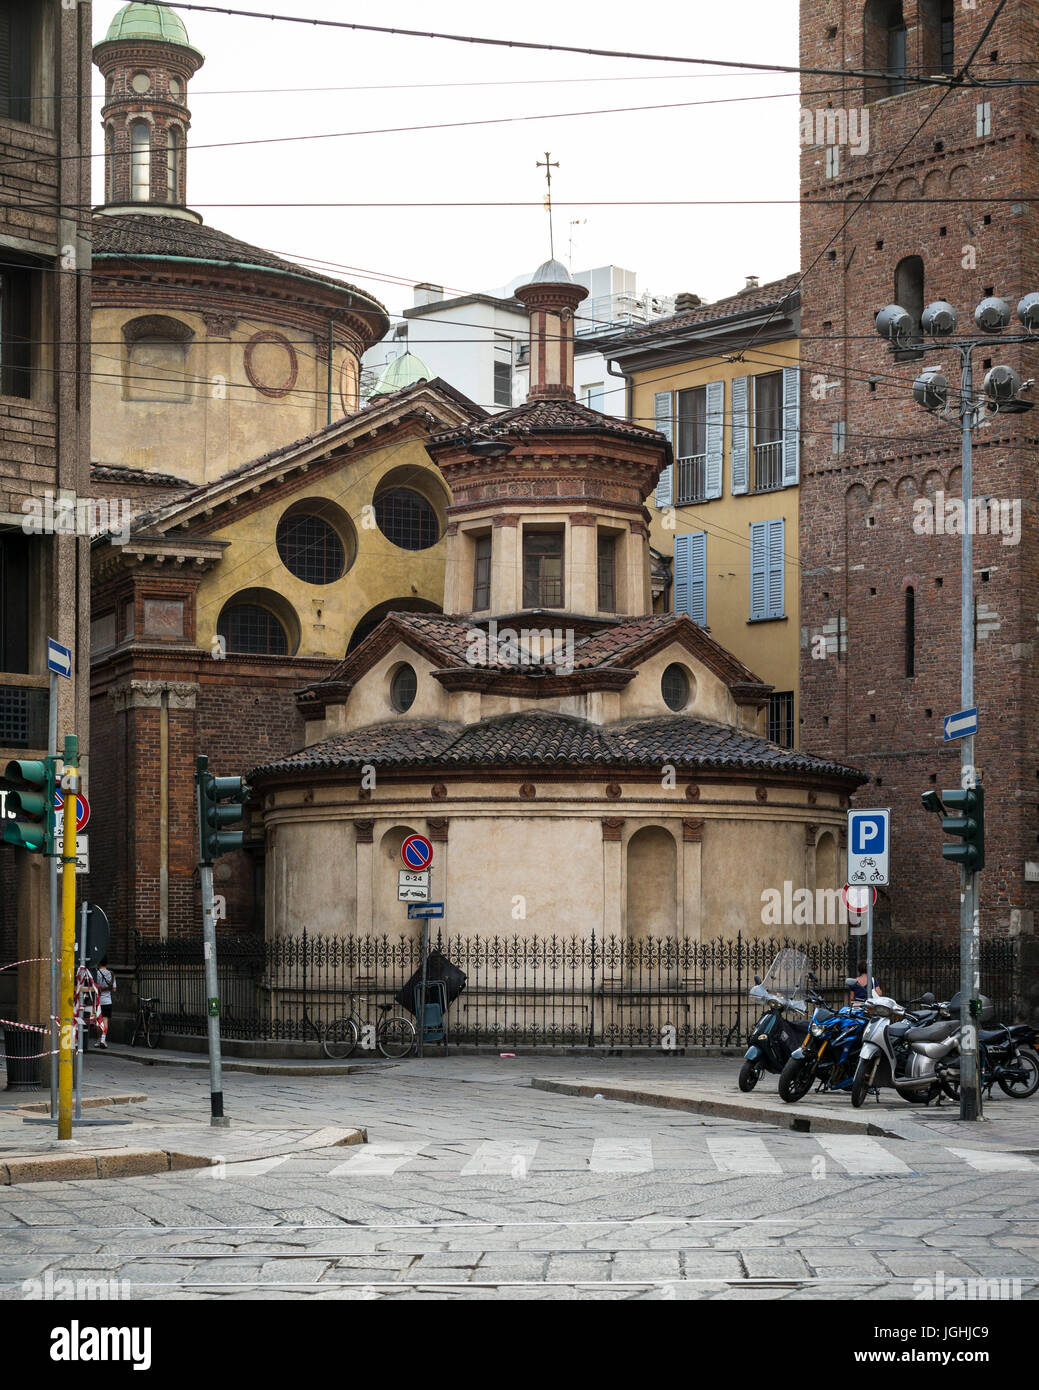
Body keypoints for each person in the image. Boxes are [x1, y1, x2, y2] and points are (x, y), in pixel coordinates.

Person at [95, 956, 115, 1049]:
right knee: (105, 1020)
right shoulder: (111, 973)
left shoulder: (96, 973)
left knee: (98, 1021)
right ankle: (103, 1039)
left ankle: (99, 1040)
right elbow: (114, 989)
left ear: (99, 963)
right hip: (107, 1001)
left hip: (98, 1001)